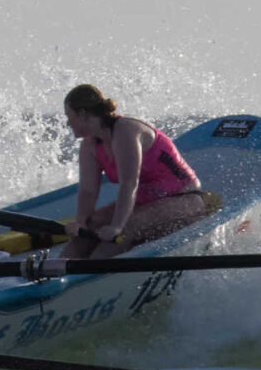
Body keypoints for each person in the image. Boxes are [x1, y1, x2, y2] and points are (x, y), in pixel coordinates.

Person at [60, 84, 212, 259]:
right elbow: (88, 191)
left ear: (82, 115)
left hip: (185, 199)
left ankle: (87, 278)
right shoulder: (90, 144)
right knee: (91, 225)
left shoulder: (126, 130)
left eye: (68, 116)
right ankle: (54, 274)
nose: (67, 123)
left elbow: (129, 184)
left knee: (126, 227)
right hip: (145, 203)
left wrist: (116, 227)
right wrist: (81, 223)